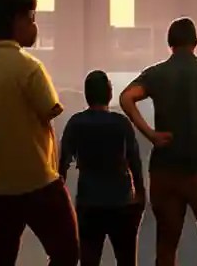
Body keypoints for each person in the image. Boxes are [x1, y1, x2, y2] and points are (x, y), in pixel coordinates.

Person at [0, 0, 79, 266]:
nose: (34, 26)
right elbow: (50, 110)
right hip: (36, 180)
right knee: (66, 251)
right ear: (16, 21)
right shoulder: (29, 67)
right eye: (31, 19)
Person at [120, 17, 197, 266]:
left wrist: (150, 133)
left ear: (169, 43)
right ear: (196, 42)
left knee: (166, 243)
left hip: (165, 168)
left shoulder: (156, 74)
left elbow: (126, 97)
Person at [60, 70, 146, 266]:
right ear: (109, 93)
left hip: (89, 202)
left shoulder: (76, 123)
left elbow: (62, 165)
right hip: (121, 201)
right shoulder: (121, 123)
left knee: (89, 259)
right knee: (126, 259)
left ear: (87, 94)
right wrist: (140, 195)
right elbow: (135, 162)